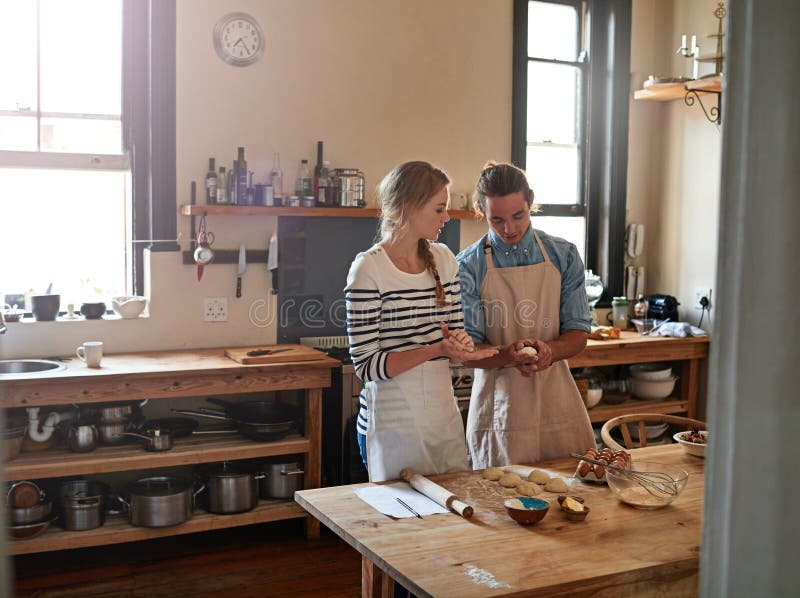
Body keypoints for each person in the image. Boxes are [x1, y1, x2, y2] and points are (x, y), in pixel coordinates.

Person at [345, 161, 497, 482]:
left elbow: (455, 329)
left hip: (442, 416)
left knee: (451, 517)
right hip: (390, 422)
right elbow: (367, 366)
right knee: (402, 522)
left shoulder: (443, 260)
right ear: (410, 208)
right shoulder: (368, 270)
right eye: (439, 209)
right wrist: (436, 349)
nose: (447, 217)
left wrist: (461, 345)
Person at [457, 161, 595, 469]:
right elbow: (467, 351)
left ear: (530, 200)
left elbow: (578, 335)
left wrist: (550, 350)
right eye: (497, 220)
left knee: (569, 498)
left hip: (556, 399)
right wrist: (506, 354)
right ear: (481, 210)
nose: (510, 229)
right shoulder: (468, 265)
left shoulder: (564, 255)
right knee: (499, 505)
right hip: (499, 408)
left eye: (518, 215)